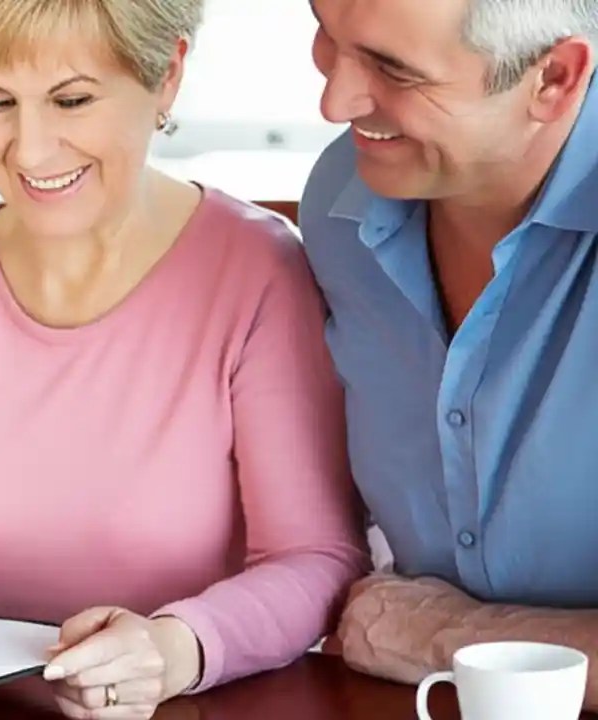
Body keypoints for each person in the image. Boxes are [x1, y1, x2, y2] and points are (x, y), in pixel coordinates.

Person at [0, 0, 370, 716]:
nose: (28, 150)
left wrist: (172, 650)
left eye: (72, 100)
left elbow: (317, 560)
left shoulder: (258, 272)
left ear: (167, 77)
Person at [300, 0, 598, 708]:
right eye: (327, 35)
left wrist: (453, 637)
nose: (333, 100)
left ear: (553, 78)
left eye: (392, 68)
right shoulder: (342, 201)